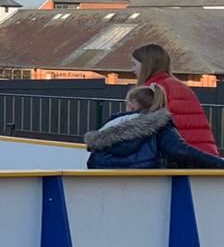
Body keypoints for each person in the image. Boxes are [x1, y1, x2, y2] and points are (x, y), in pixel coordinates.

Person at [85, 85, 224, 170]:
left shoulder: (111, 124)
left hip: (104, 182)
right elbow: (180, 150)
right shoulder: (159, 125)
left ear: (132, 105)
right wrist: (219, 163)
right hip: (146, 186)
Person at [133, 44, 219, 155]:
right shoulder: (181, 87)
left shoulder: (151, 90)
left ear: (146, 66)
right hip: (205, 154)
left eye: (134, 64)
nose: (132, 69)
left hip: (181, 156)